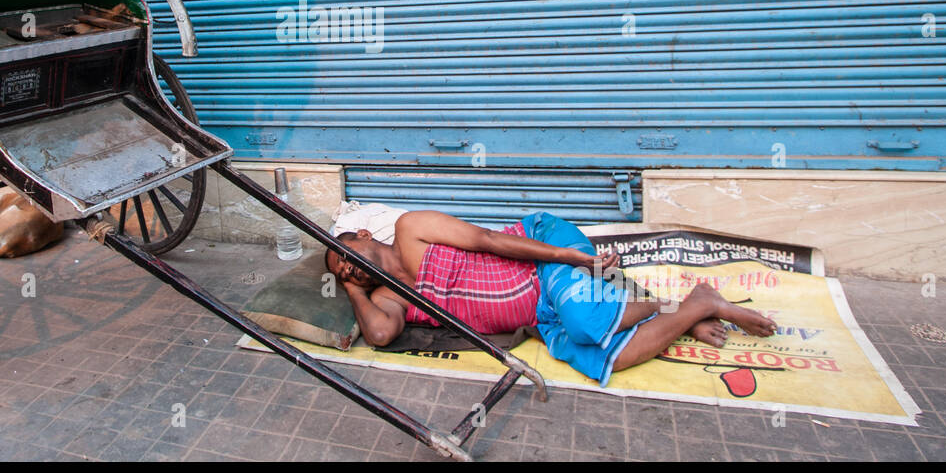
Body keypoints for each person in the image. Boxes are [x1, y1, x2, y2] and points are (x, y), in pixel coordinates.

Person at [324, 209, 777, 387]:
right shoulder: (392, 297)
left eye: (344, 254)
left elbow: (486, 240)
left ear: (364, 234)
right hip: (539, 318)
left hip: (544, 256)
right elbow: (381, 333)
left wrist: (569, 257)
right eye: (341, 271)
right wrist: (350, 287)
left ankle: (665, 304)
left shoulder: (409, 229)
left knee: (584, 321)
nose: (346, 267)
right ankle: (693, 304)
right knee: (608, 360)